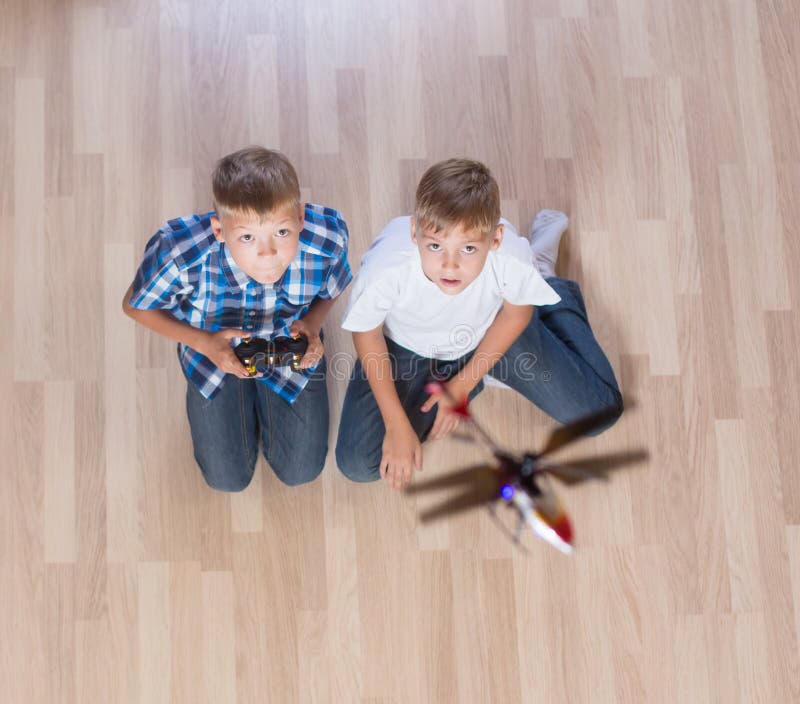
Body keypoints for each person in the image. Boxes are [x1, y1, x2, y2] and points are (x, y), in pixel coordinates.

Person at [335, 158, 622, 491]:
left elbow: (515, 315)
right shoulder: (387, 269)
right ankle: (483, 373)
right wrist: (397, 424)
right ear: (414, 232)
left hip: (489, 330)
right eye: (435, 246)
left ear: (495, 239)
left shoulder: (509, 257)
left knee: (600, 413)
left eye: (469, 248)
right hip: (406, 348)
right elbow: (366, 333)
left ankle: (544, 279)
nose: (450, 264)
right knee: (358, 463)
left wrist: (460, 388)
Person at [123, 146, 352, 491]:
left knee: (301, 472)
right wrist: (202, 343)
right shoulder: (180, 252)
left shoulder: (327, 239)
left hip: (290, 342)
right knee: (227, 480)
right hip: (212, 349)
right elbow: (135, 305)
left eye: (282, 232)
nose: (267, 253)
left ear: (301, 219)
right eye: (247, 237)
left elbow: (334, 284)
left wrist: (315, 324)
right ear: (219, 230)